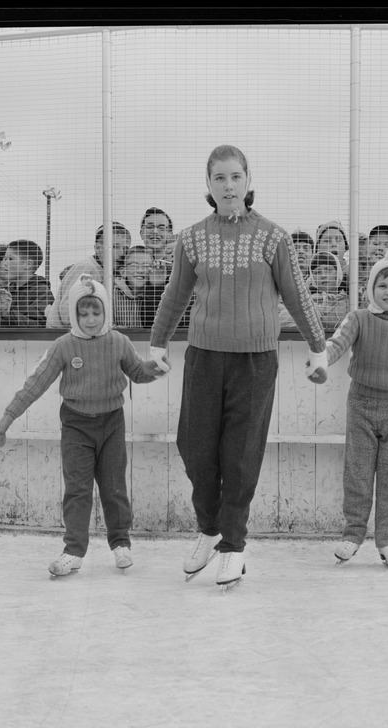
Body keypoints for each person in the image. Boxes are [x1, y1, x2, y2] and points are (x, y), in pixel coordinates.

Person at [148, 144, 328, 588]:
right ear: (207, 186)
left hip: (254, 360)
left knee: (241, 455)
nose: (228, 186)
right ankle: (210, 530)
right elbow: (175, 295)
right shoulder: (191, 237)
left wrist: (318, 345)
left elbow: (296, 294)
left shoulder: (273, 236)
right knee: (194, 448)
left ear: (248, 180)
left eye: (235, 177)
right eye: (218, 179)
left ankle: (234, 546)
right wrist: (157, 343)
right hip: (204, 357)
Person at [0, 275, 164, 576]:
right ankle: (73, 551)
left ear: (106, 312)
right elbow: (37, 382)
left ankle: (120, 544)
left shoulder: (118, 342)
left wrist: (156, 369)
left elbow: (138, 372)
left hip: (112, 422)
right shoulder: (64, 345)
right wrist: (9, 416)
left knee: (114, 487)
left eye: (95, 313)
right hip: (75, 425)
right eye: (83, 313)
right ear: (73, 314)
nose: (89, 320)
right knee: (77, 489)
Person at [307, 249, 388, 571]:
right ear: (370, 288)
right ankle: (353, 534)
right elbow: (337, 343)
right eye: (383, 285)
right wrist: (321, 363)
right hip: (361, 405)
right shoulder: (359, 318)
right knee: (358, 473)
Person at [48, 222, 131, 328]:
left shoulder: (112, 273)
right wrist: (108, 327)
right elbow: (68, 315)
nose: (122, 253)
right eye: (114, 247)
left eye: (126, 248)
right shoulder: (87, 268)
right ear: (98, 249)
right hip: (62, 336)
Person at [279, 250, 349, 330]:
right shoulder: (307, 300)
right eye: (317, 272)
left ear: (338, 273)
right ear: (312, 278)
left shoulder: (349, 301)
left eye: (328, 270)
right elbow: (282, 320)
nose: (323, 275)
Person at [0, 240, 53, 327]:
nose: (4, 263)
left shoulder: (41, 291)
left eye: (10, 259)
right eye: (4, 259)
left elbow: (40, 325)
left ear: (28, 264)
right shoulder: (7, 291)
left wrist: (7, 315)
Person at [113, 245, 161, 328]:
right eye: (134, 265)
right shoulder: (111, 296)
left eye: (146, 266)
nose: (140, 270)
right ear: (123, 272)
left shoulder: (161, 294)